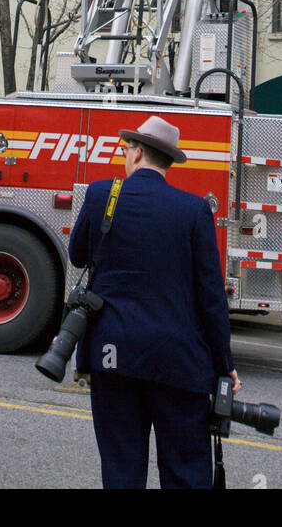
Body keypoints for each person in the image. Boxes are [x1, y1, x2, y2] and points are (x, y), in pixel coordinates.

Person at [68, 114, 240, 489]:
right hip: (179, 363)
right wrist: (225, 364)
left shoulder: (101, 195)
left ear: (139, 153)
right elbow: (211, 298)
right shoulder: (195, 210)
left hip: (112, 356)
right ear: (168, 162)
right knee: (185, 471)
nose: (125, 155)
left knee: (122, 469)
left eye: (127, 148)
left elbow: (78, 256)